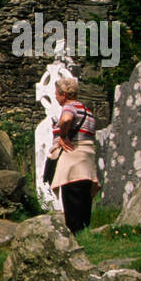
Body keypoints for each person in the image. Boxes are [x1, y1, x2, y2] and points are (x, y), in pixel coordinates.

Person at [50, 76, 99, 233]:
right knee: (84, 199)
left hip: (73, 159)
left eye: (57, 94)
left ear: (64, 94)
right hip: (87, 160)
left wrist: (63, 136)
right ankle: (84, 233)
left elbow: (66, 119)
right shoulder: (87, 110)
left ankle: (75, 235)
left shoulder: (69, 107)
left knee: (72, 200)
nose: (56, 97)